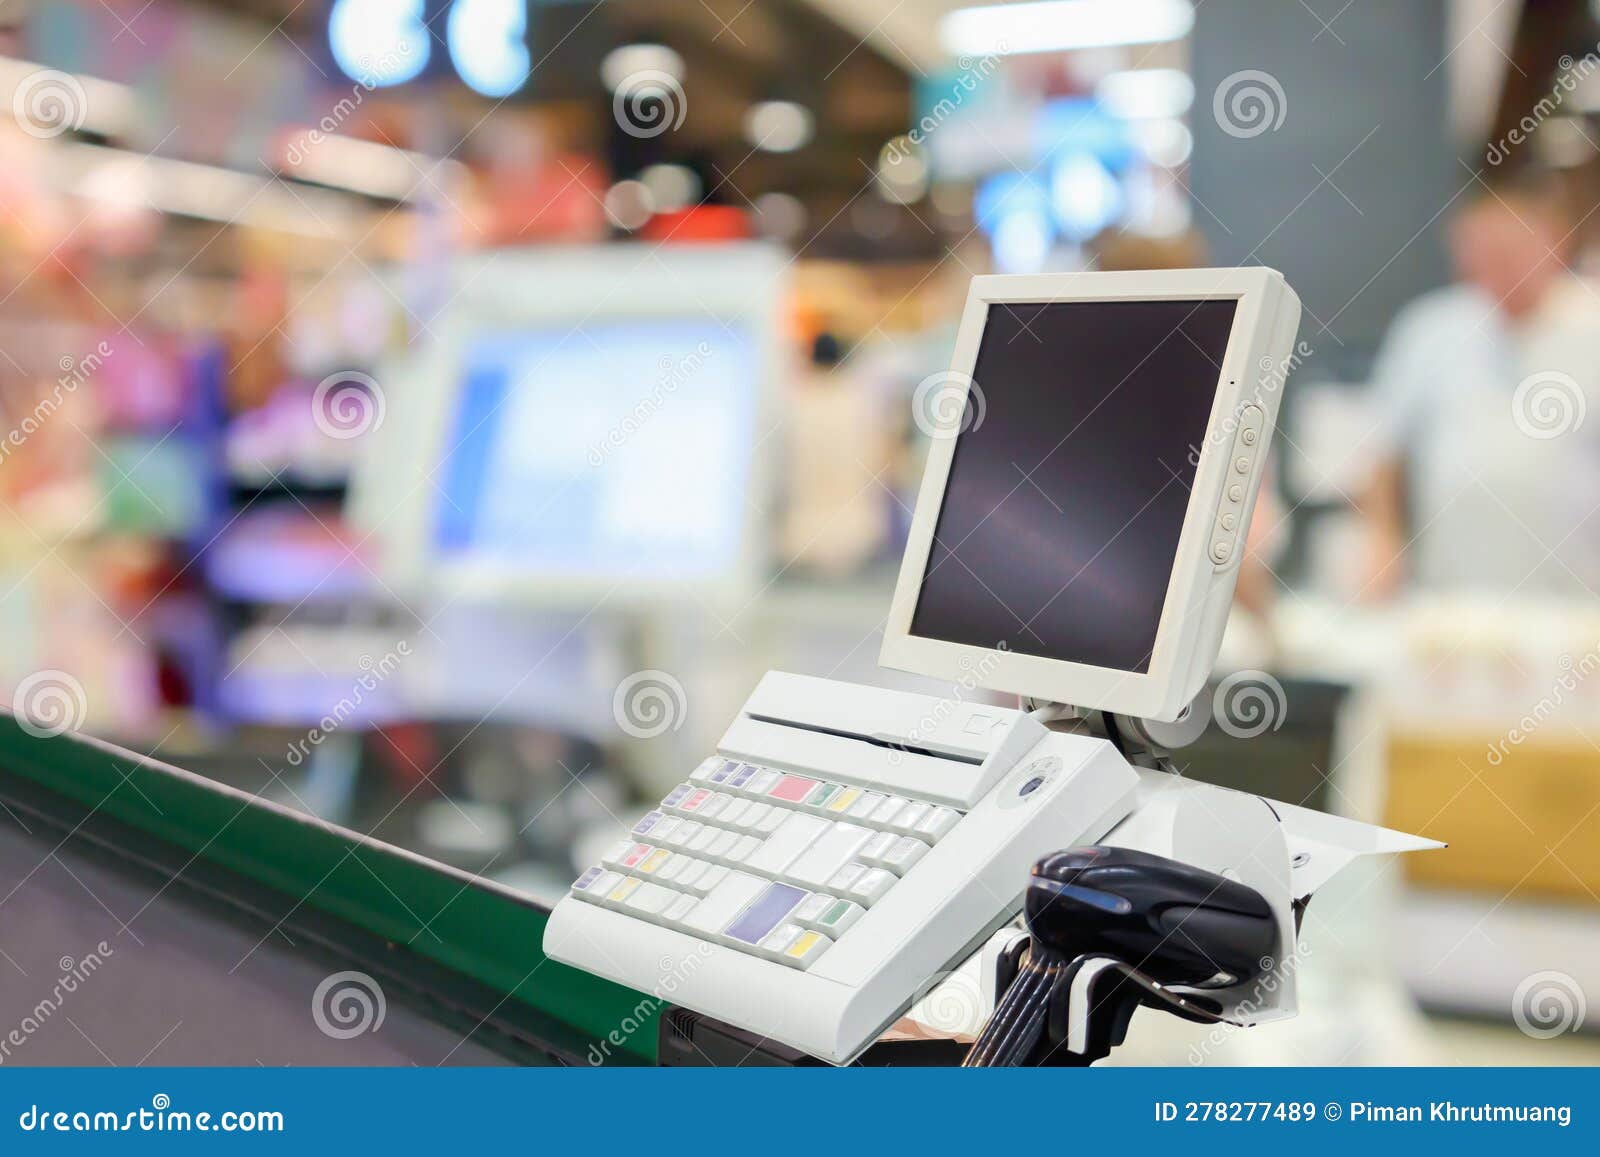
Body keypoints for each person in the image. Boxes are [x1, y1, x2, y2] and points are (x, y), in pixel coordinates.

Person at [1362, 169, 1600, 598]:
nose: (1496, 267)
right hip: (1452, 596)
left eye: (1510, 252)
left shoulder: (1591, 324)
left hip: (1576, 599)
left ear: (1556, 245)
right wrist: (1383, 543)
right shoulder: (1431, 328)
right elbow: (1384, 453)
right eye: (1480, 253)